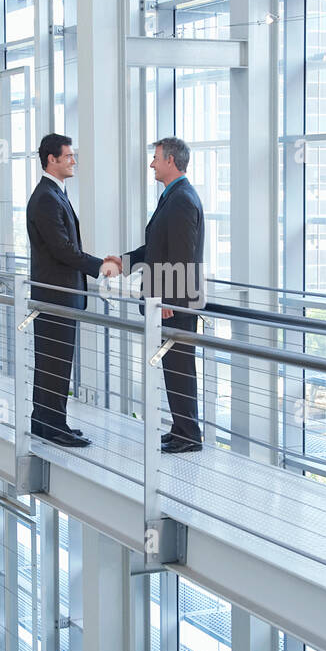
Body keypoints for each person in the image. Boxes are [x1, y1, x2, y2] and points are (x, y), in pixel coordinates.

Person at [25, 134, 120, 447]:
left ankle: (48, 422)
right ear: (51, 159)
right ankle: (51, 426)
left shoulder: (54, 194)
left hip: (59, 295)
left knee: (56, 361)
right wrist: (99, 266)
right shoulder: (46, 199)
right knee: (54, 361)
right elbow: (63, 250)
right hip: (55, 297)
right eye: (68, 156)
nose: (73, 161)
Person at [112, 137, 205, 453]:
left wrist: (168, 301)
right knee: (174, 368)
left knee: (180, 367)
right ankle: (181, 428)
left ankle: (189, 435)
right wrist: (121, 263)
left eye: (155, 158)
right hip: (167, 301)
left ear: (171, 161)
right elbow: (155, 250)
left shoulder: (181, 200)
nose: (151, 164)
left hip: (173, 304)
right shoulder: (173, 197)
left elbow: (182, 257)